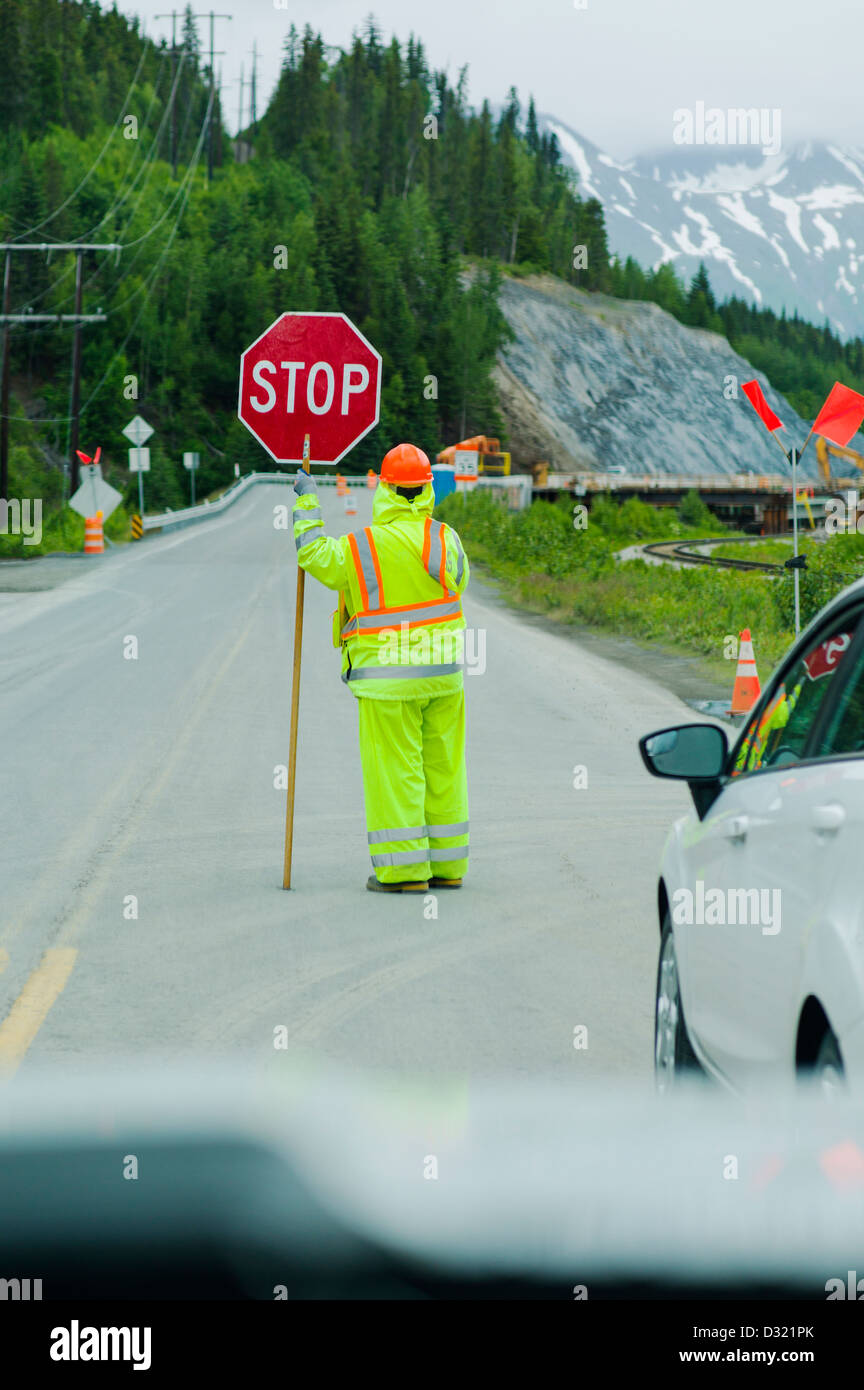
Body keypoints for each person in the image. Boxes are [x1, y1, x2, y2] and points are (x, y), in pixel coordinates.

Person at [292, 443, 470, 893]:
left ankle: (405, 873)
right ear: (428, 489)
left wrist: (306, 501)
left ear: (384, 489)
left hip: (388, 683)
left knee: (397, 773)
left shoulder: (362, 546)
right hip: (445, 677)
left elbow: (314, 555)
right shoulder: (444, 538)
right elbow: (460, 580)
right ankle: (448, 867)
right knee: (444, 768)